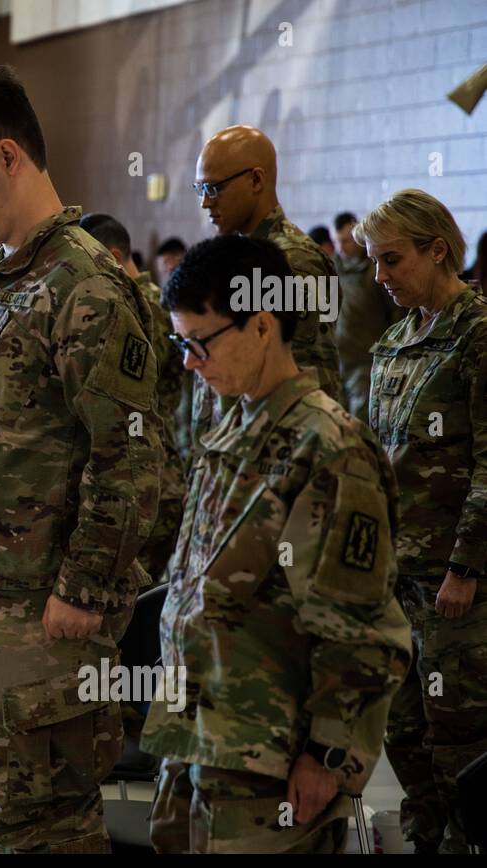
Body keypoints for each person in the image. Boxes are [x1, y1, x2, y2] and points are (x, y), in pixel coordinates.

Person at [0, 67, 163, 852]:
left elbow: (128, 457)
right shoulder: (0, 276)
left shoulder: (84, 284)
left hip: (40, 619)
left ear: (10, 157)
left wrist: (85, 589)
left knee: (45, 828)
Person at [141, 233, 410, 853]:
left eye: (198, 342)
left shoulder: (328, 448)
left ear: (262, 325)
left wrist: (326, 753)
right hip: (201, 739)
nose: (188, 362)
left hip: (274, 766)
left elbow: (362, 631)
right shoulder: (234, 423)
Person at [357, 189, 487, 854]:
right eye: (374, 263)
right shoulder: (393, 343)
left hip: (456, 585)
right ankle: (425, 851)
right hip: (397, 577)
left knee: (461, 737)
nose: (380, 276)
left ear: (439, 249)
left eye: (391, 259)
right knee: (403, 731)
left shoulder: (477, 334)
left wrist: (466, 566)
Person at [189, 126, 342, 445]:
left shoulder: (293, 262)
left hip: (268, 460)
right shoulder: (233, 256)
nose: (205, 203)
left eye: (213, 189)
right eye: (200, 189)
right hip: (228, 458)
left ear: (256, 180)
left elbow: (308, 379)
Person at [79, 211, 187, 579]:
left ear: (111, 255)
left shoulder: (144, 307)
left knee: (141, 602)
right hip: (154, 468)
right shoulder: (149, 301)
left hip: (149, 472)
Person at [332, 211, 400, 418]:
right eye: (337, 241)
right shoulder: (333, 269)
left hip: (366, 363)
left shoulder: (375, 274)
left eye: (346, 241)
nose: (341, 247)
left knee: (362, 420)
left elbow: (397, 315)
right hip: (339, 361)